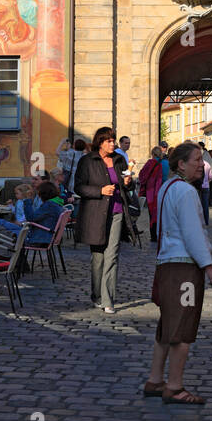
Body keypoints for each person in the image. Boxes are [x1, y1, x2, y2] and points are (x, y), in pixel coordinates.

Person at [144, 141, 212, 404]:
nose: (202, 165)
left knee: (166, 325)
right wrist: (208, 266)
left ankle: (155, 379)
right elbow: (192, 233)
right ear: (181, 164)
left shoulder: (168, 187)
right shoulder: (187, 192)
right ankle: (174, 386)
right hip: (184, 268)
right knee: (182, 329)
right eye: (197, 160)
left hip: (167, 264)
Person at [73, 126, 139, 313]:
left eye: (114, 141)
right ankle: (97, 295)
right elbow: (79, 187)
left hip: (117, 212)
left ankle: (108, 299)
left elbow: (126, 185)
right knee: (98, 258)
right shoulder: (87, 161)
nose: (113, 144)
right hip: (95, 214)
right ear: (100, 142)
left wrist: (128, 183)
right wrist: (99, 191)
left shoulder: (118, 160)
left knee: (112, 256)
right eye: (109, 141)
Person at [138, 147, 164, 242]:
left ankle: (154, 236)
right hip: (163, 191)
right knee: (161, 214)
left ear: (152, 153)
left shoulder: (150, 163)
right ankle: (162, 234)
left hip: (151, 191)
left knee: (152, 214)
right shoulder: (165, 163)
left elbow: (142, 176)